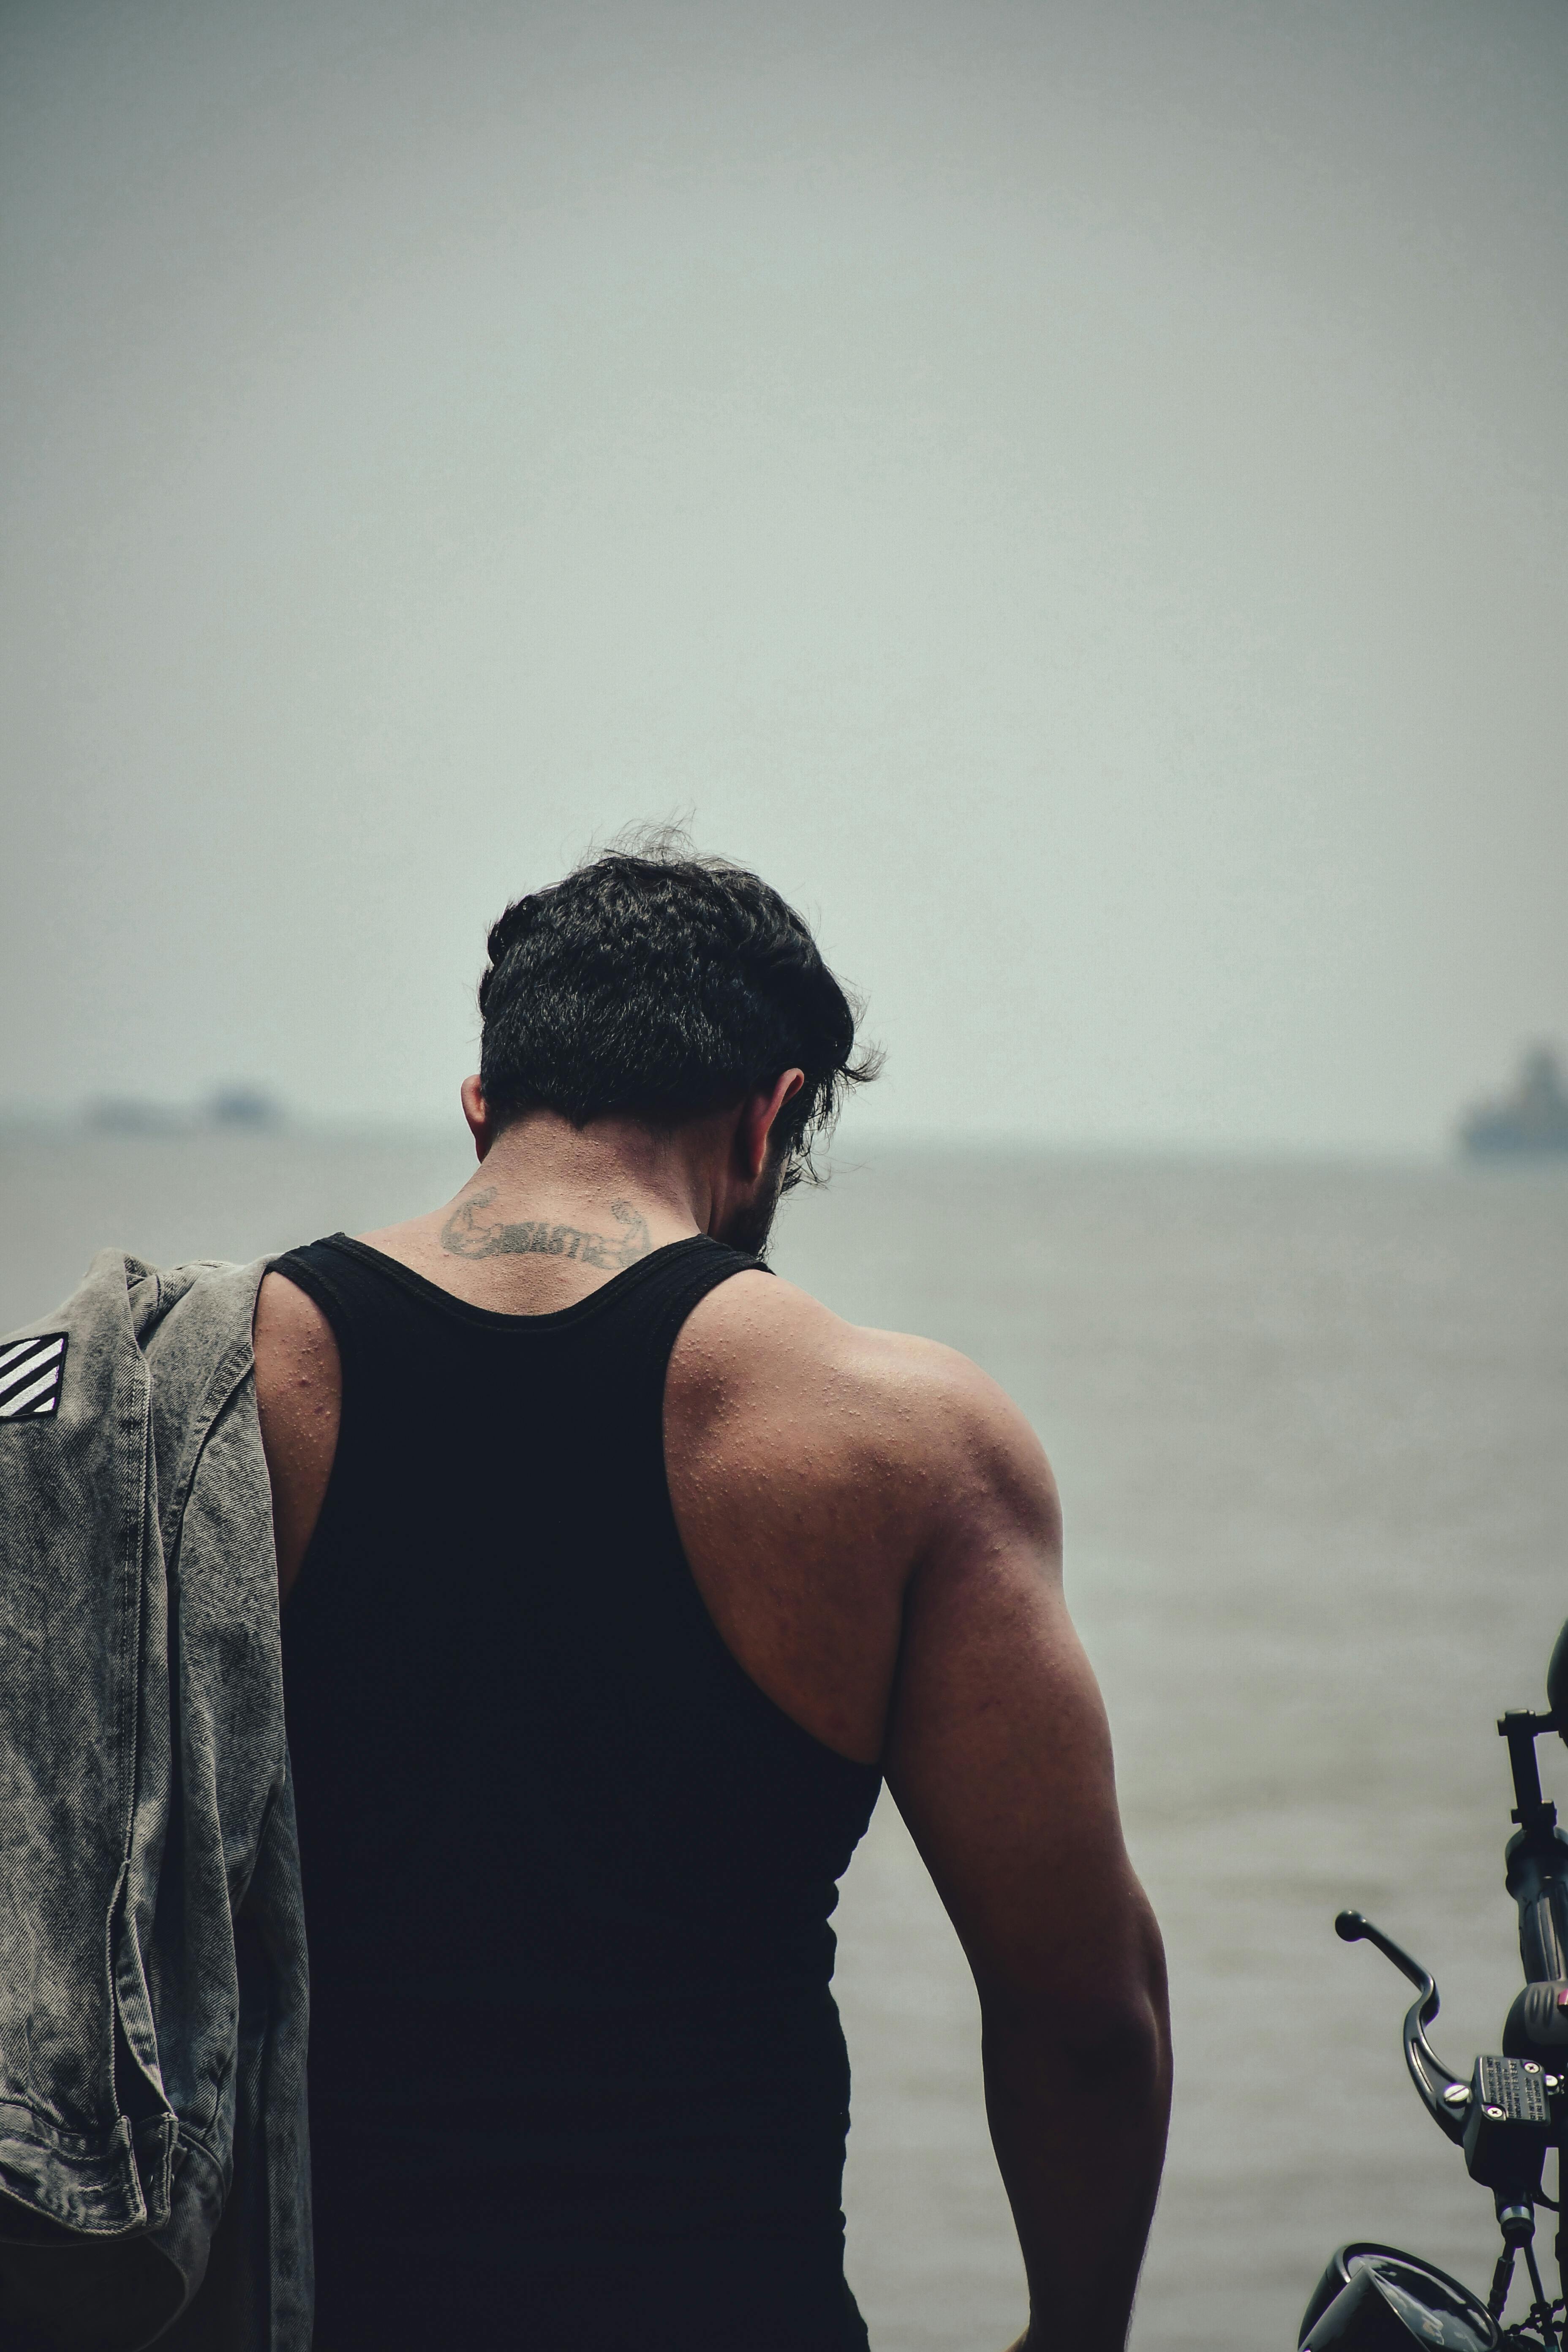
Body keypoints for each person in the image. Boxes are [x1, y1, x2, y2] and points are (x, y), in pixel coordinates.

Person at [253, 839, 1171, 2352]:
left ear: (480, 1106)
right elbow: (1086, 2018)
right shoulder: (903, 1443)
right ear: (773, 1115)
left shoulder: (216, 1387)